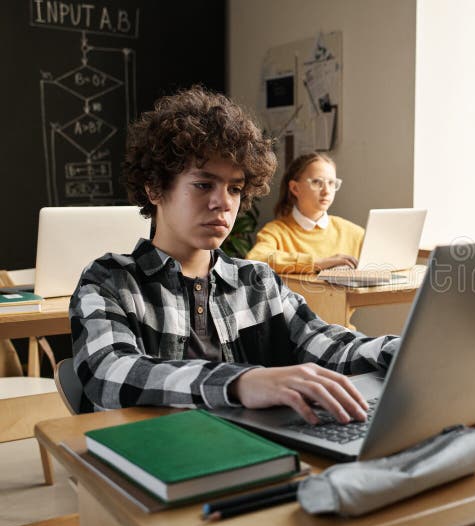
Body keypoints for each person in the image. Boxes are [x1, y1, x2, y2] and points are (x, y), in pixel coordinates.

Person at [69, 86, 398, 425]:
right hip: (149, 456)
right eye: (203, 185)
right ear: (154, 188)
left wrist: (405, 351)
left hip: (252, 453)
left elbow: (326, 343)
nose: (223, 203)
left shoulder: (256, 280)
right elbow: (109, 372)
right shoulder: (109, 280)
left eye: (235, 189)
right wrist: (239, 382)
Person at [245, 153, 364, 273]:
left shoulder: (356, 234)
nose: (327, 191)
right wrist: (316, 263)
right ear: (295, 188)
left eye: (331, 183)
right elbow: (255, 259)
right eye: (317, 182)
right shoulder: (275, 231)